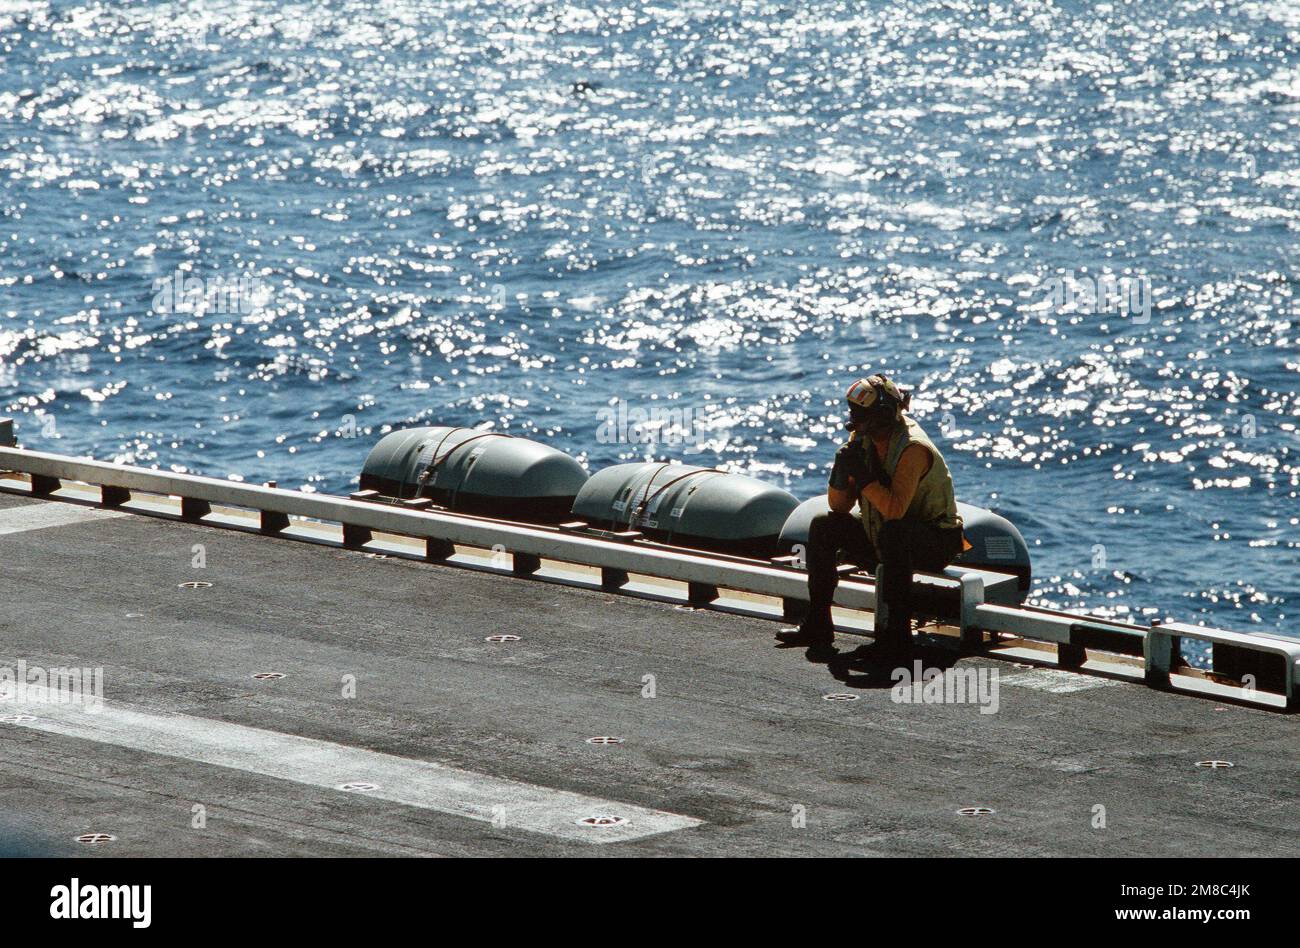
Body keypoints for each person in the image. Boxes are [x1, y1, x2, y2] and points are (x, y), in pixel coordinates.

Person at [778, 375, 966, 658]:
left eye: (861, 414)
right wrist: (841, 473)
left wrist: (864, 478)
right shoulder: (862, 438)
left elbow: (894, 510)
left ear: (883, 415)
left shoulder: (913, 448)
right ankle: (817, 623)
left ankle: (897, 638)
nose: (854, 420)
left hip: (935, 541)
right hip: (883, 533)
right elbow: (839, 507)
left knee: (894, 534)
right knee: (823, 526)